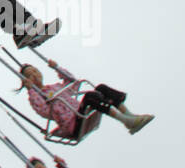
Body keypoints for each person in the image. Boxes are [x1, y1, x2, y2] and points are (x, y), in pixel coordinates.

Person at [18, 59, 153, 138]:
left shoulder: (55, 87)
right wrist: (31, 90)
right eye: (30, 75)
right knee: (89, 97)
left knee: (101, 89)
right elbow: (43, 110)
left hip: (81, 113)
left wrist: (57, 68)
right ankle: (126, 121)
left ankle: (129, 117)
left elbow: (73, 83)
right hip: (72, 123)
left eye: (35, 71)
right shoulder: (37, 97)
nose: (35, 75)